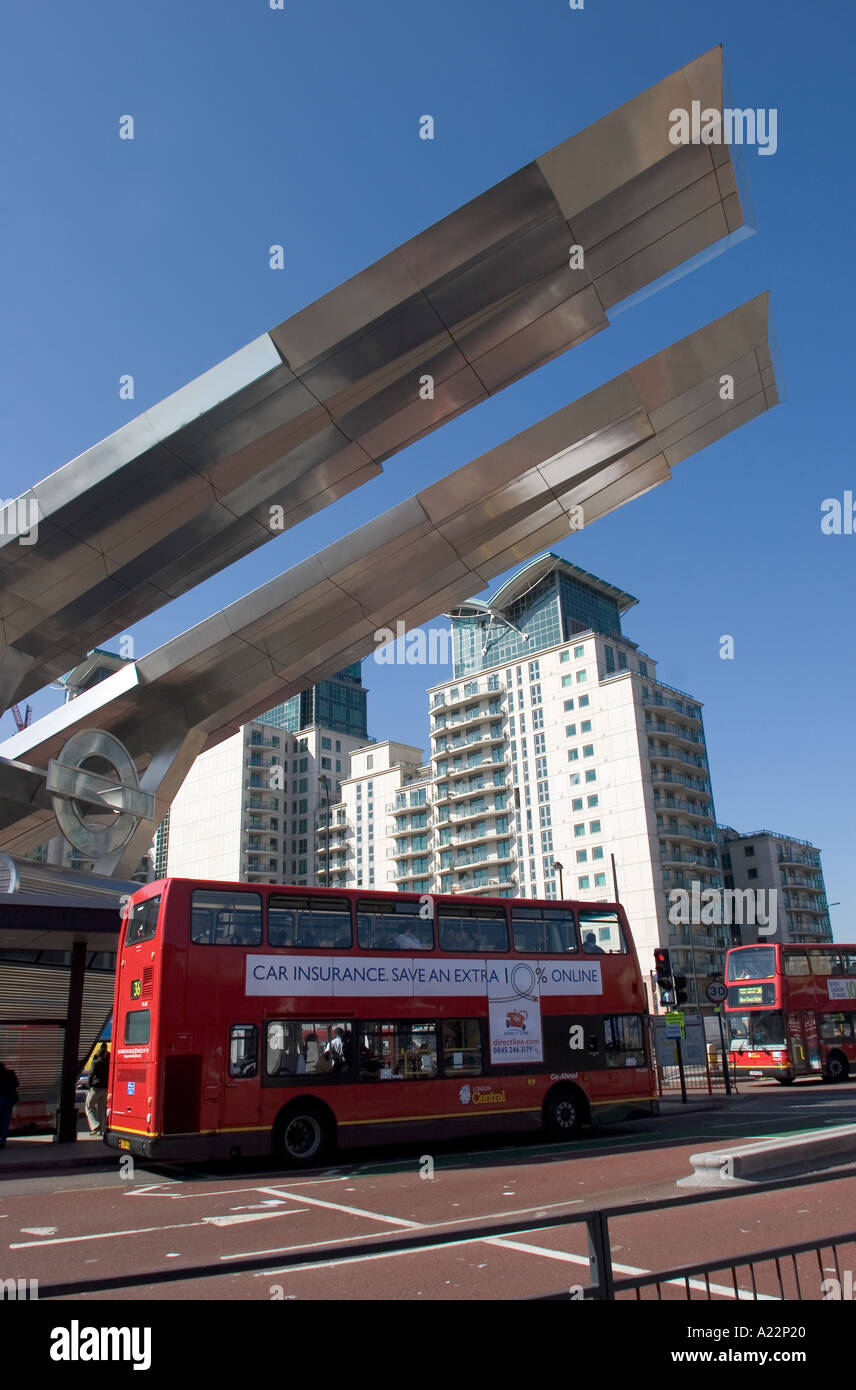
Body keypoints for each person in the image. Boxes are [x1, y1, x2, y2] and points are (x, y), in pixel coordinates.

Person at [85, 1044, 110, 1137]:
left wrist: (89, 1085)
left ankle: (95, 1126)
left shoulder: (96, 1062)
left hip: (96, 1088)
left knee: (89, 1107)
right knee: (102, 1109)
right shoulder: (108, 1063)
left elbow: (91, 1074)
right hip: (105, 1088)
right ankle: (103, 1129)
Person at [0, 1062, 19, 1148]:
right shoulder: (10, 1073)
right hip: (10, 1098)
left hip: (1, 1098)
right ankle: (3, 1141)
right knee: (5, 1120)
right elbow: (16, 1084)